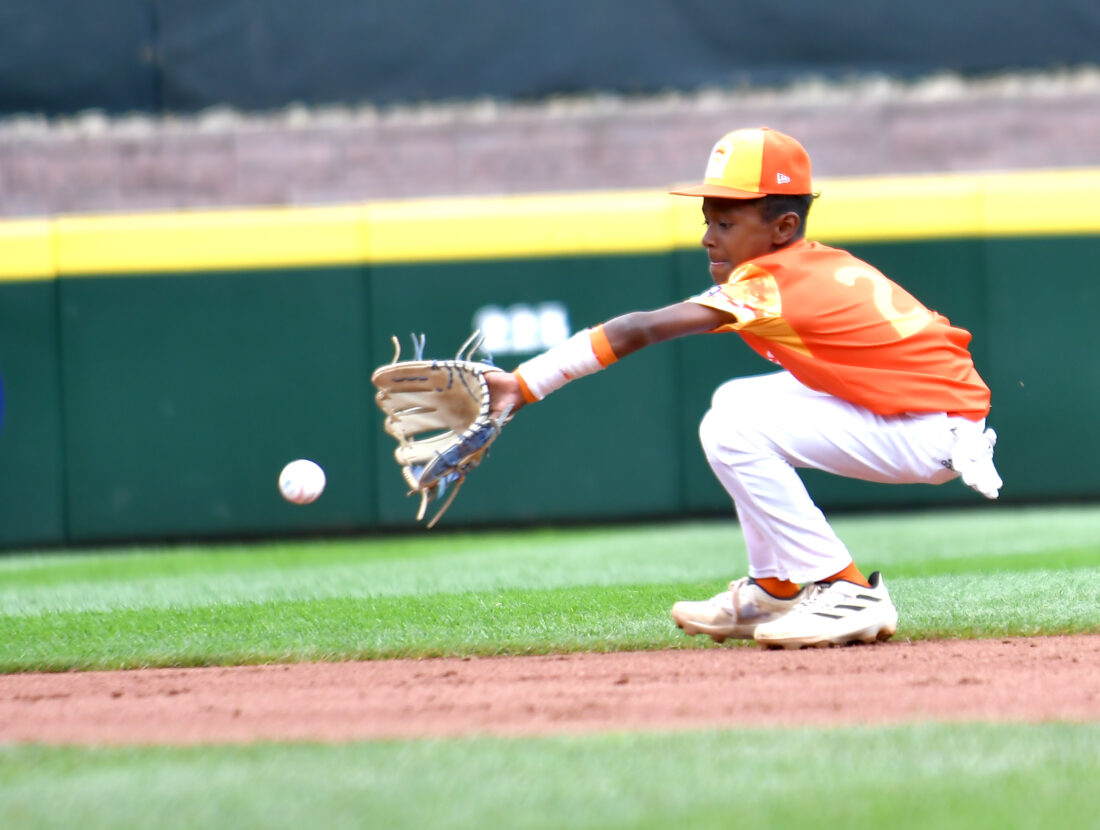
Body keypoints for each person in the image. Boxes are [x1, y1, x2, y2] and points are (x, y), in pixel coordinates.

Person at [486, 126, 1001, 649]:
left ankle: (846, 590)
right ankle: (774, 588)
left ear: (783, 225)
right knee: (734, 401)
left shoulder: (770, 284)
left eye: (727, 222)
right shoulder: (808, 265)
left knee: (731, 429)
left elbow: (639, 328)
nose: (710, 236)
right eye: (708, 220)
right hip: (933, 419)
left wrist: (524, 384)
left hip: (930, 434)